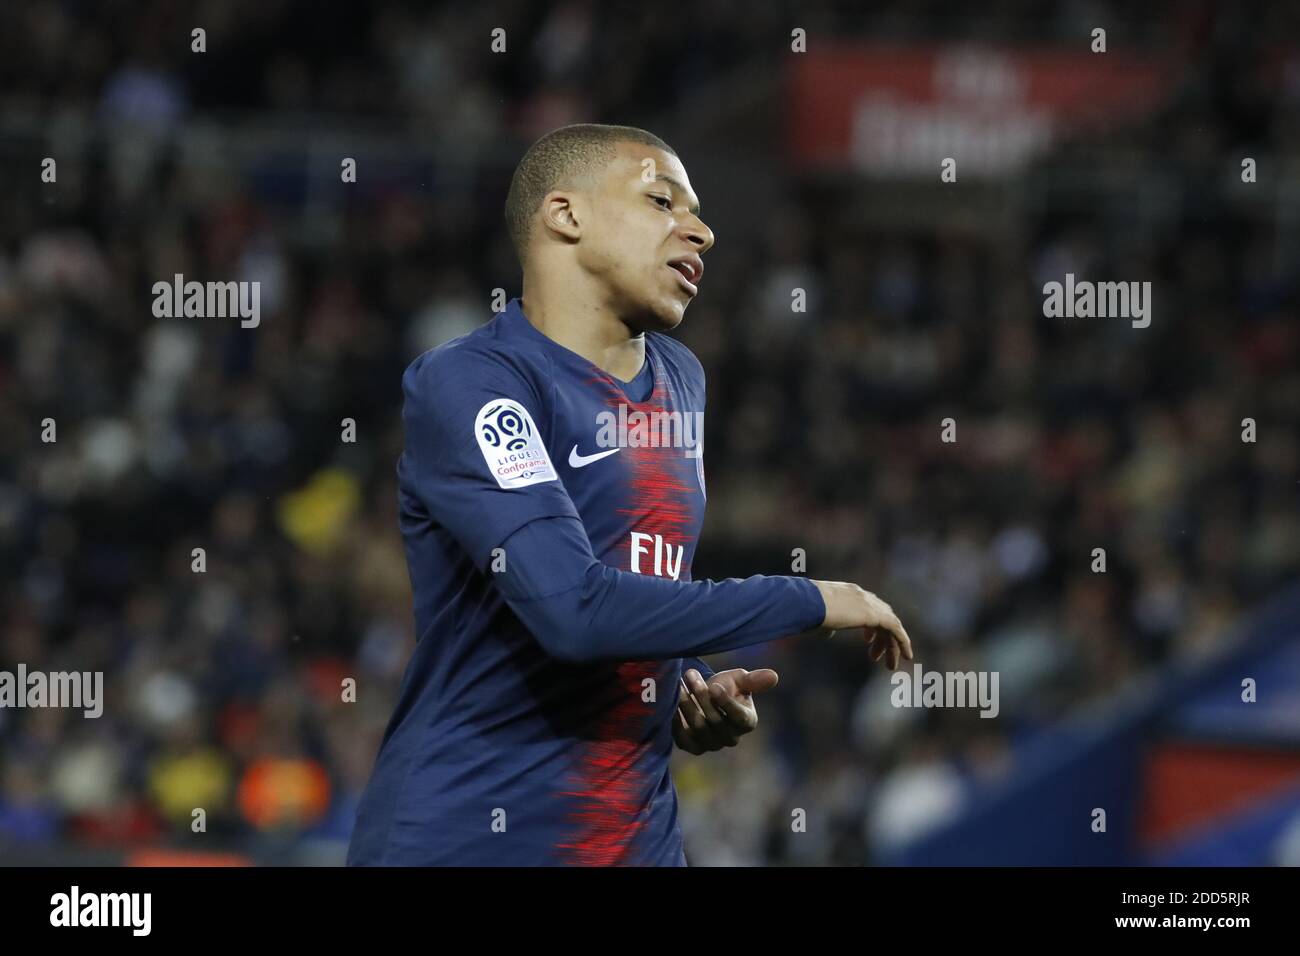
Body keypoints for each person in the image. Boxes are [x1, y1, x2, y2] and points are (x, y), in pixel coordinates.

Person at [347, 123, 912, 866]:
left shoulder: (682, 381)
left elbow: (637, 579)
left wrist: (684, 686)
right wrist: (812, 599)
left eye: (699, 211)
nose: (702, 231)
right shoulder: (473, 385)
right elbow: (573, 610)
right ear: (566, 216)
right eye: (661, 200)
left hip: (634, 840)